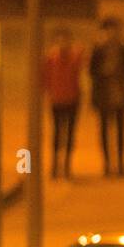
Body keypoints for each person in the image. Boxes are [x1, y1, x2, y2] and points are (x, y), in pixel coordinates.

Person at [89, 17, 124, 177]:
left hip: (119, 94)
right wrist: (104, 72)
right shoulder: (98, 49)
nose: (113, 33)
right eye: (110, 29)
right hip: (103, 96)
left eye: (116, 29)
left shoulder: (123, 48)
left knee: (121, 131)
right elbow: (91, 72)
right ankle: (107, 164)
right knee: (104, 131)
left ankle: (120, 163)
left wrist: (120, 73)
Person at [42, 27, 84, 180]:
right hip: (56, 100)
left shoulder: (74, 56)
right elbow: (44, 78)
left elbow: (82, 61)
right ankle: (54, 167)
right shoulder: (51, 58)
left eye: (66, 40)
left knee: (70, 134)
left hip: (72, 100)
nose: (63, 43)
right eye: (60, 40)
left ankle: (66, 166)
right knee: (57, 133)